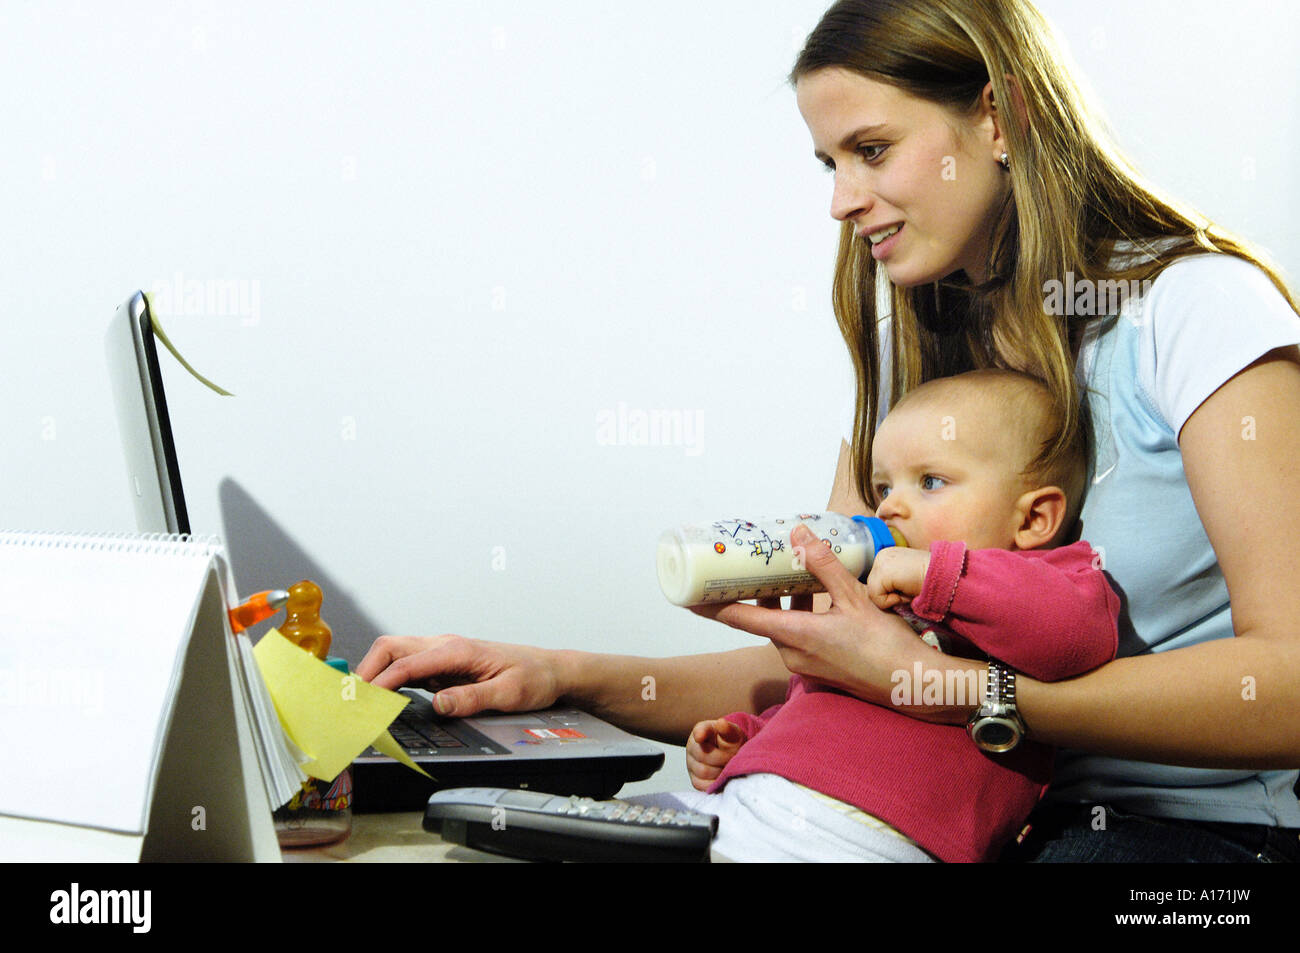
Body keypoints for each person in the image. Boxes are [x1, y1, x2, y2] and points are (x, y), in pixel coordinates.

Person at [359, 0, 1300, 862]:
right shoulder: (919, 359)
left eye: (873, 149)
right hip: (986, 828)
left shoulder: (1195, 313)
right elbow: (835, 654)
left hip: (1197, 847)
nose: (842, 200)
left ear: (999, 116)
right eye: (829, 162)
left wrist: (953, 688)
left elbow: (1288, 681)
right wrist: (564, 675)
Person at [674, 367, 1119, 862]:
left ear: (1033, 519)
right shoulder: (882, 592)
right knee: (592, 828)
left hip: (866, 839)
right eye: (884, 488)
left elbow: (1074, 638)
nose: (889, 509)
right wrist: (750, 738)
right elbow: (827, 700)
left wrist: (939, 577)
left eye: (930, 482)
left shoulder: (1051, 579)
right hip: (749, 807)